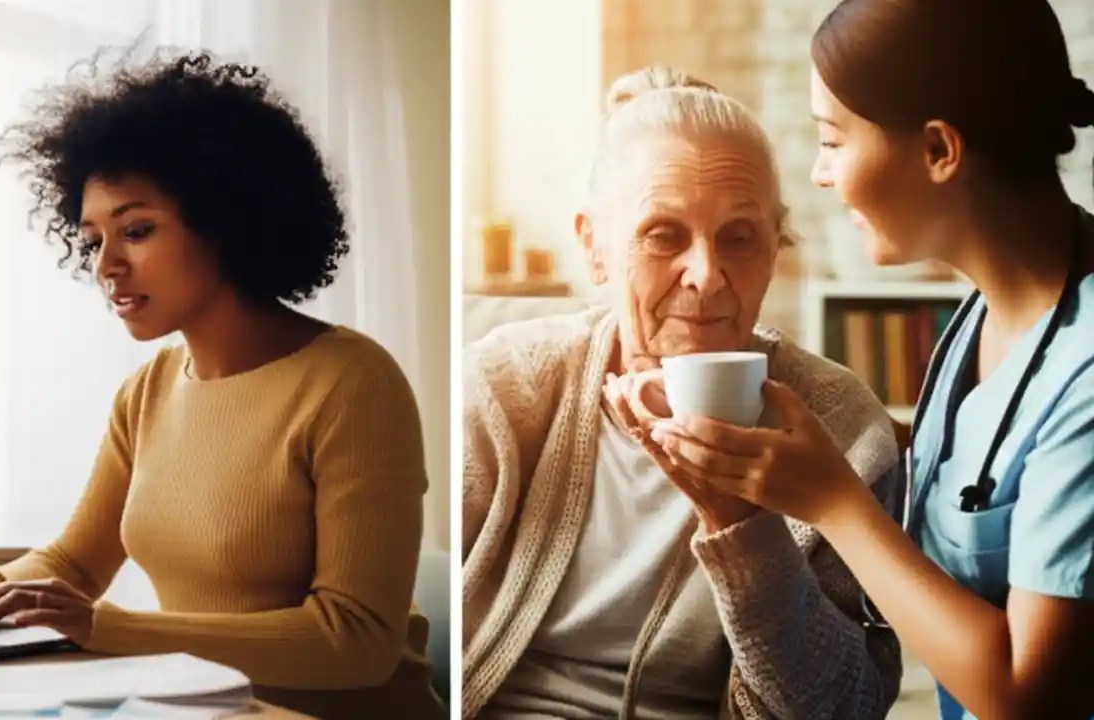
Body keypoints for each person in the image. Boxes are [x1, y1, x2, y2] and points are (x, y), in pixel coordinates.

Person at [0, 50, 442, 719]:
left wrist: (109, 630)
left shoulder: (352, 383)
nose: (107, 266)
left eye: (136, 231)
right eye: (92, 241)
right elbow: (76, 564)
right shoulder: (148, 390)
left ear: (226, 220)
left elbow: (357, 641)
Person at [644, 2, 1094, 719]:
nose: (820, 175)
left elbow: (1023, 694)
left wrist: (832, 499)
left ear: (940, 151)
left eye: (832, 141)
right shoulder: (984, 314)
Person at [463, 65, 903, 720]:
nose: (706, 274)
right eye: (663, 235)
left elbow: (847, 707)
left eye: (740, 237)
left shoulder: (845, 431)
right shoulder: (504, 387)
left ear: (773, 249)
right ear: (596, 246)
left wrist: (740, 523)